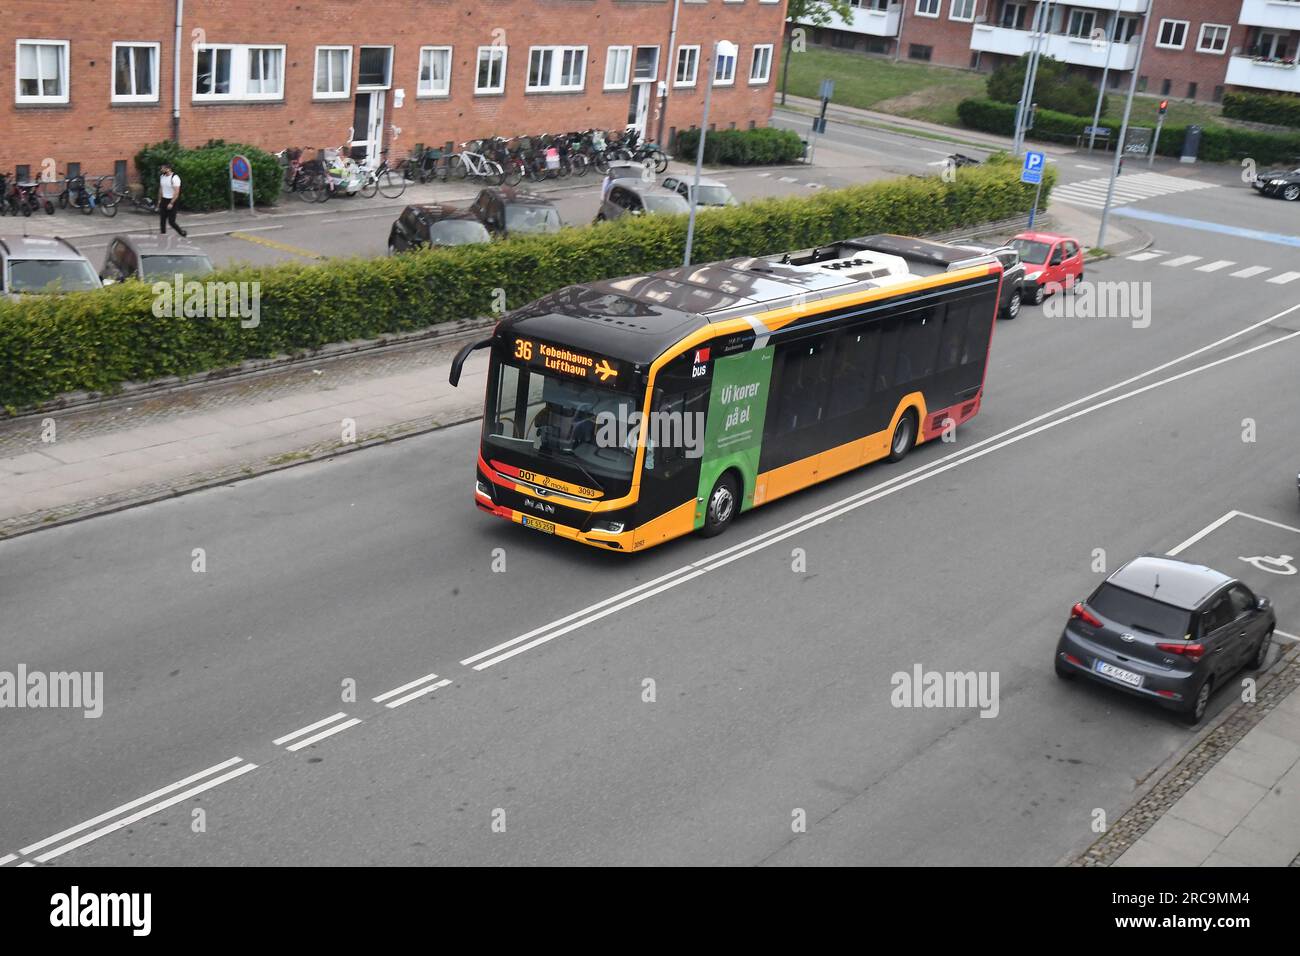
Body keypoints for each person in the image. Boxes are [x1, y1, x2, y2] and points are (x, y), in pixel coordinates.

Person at [158, 163, 187, 236]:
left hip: (172, 200)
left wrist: (171, 203)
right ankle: (163, 235)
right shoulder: (162, 177)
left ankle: (182, 232)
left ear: (168, 169)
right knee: (162, 220)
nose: (162, 170)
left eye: (163, 168)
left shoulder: (175, 178)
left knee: (171, 221)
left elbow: (176, 192)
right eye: (161, 168)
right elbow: (161, 189)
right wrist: (159, 200)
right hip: (164, 199)